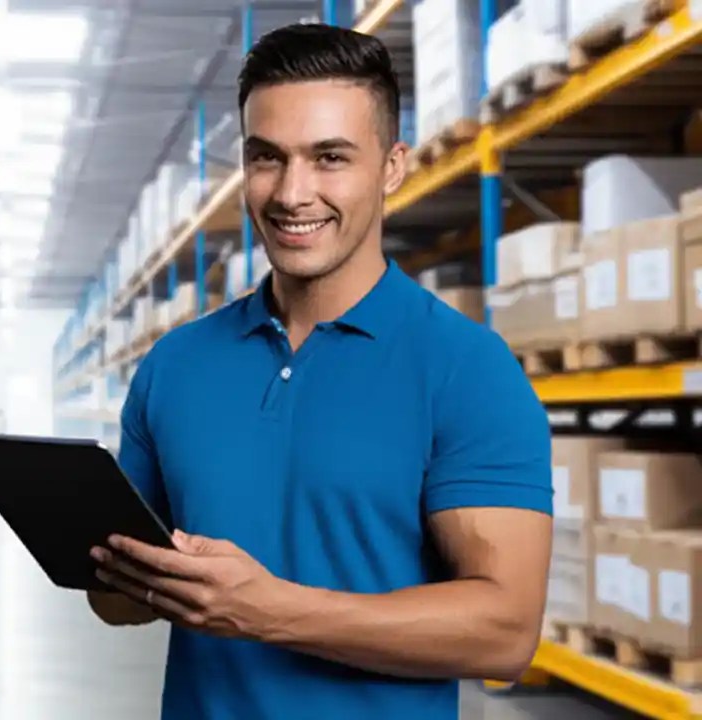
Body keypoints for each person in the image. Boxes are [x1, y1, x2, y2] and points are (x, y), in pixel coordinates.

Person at [86, 22, 552, 720]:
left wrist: (267, 610)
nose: (291, 193)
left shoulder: (466, 369)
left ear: (393, 165)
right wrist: (114, 564)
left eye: (330, 157)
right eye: (266, 158)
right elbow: (116, 604)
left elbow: (505, 633)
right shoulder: (174, 366)